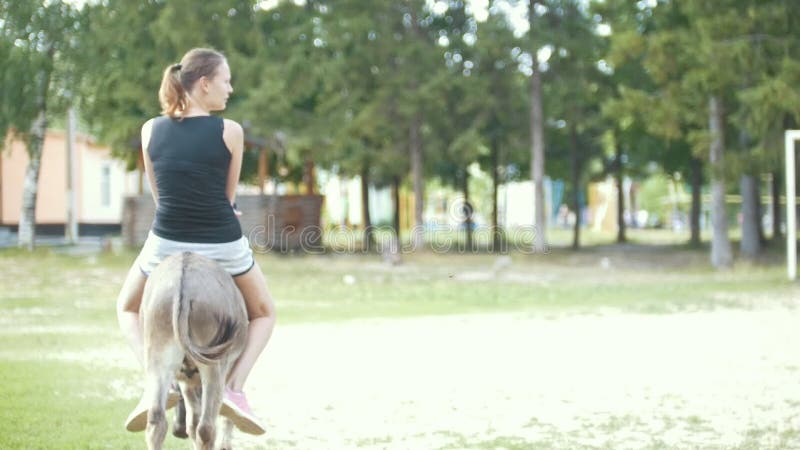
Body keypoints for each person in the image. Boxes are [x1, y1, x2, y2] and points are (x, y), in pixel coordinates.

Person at [117, 48, 276, 435]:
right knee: (265, 313)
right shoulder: (230, 131)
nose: (230, 88)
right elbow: (227, 198)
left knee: (126, 307)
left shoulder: (150, 130)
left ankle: (157, 383)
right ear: (204, 84)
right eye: (226, 80)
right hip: (222, 240)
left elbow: (160, 196)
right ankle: (234, 391)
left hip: (166, 240)